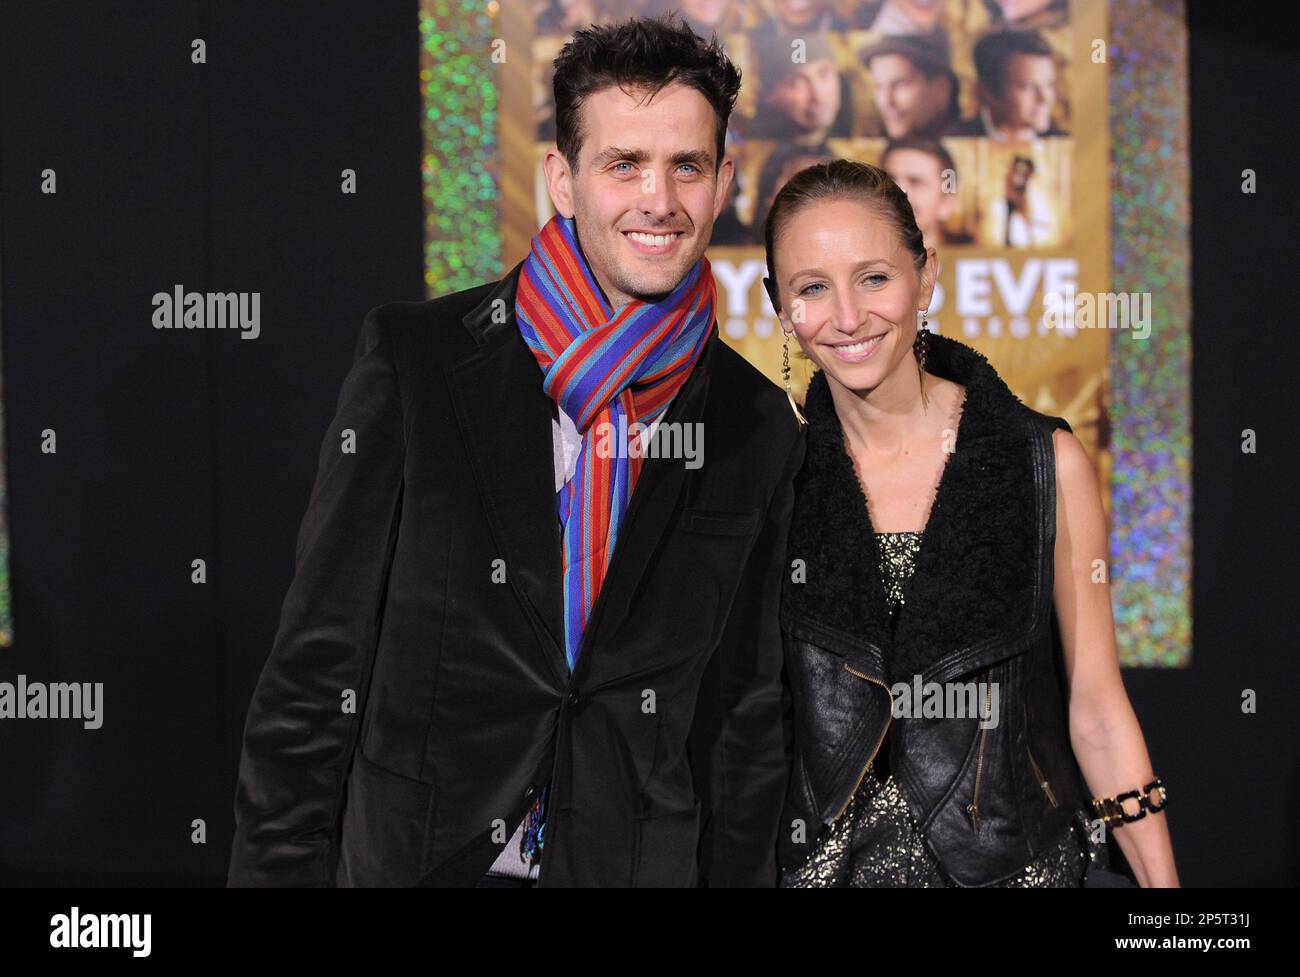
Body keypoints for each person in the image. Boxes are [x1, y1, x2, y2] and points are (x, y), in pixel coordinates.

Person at [227, 13, 805, 888]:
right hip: (422, 861)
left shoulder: (755, 422)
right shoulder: (418, 362)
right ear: (562, 180)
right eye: (624, 164)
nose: (659, 198)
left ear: (724, 180)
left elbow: (743, 724)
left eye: (686, 165)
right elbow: (316, 666)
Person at [760, 159, 1178, 887]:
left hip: (1013, 869)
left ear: (926, 277)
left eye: (874, 277)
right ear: (780, 307)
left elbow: (1099, 710)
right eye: (812, 288)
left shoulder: (1040, 462)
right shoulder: (770, 478)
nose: (849, 317)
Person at [945, 29, 1068, 139]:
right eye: (1028, 87)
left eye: (1049, 84)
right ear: (988, 92)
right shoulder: (952, 144)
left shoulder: (1065, 145)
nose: (1044, 98)